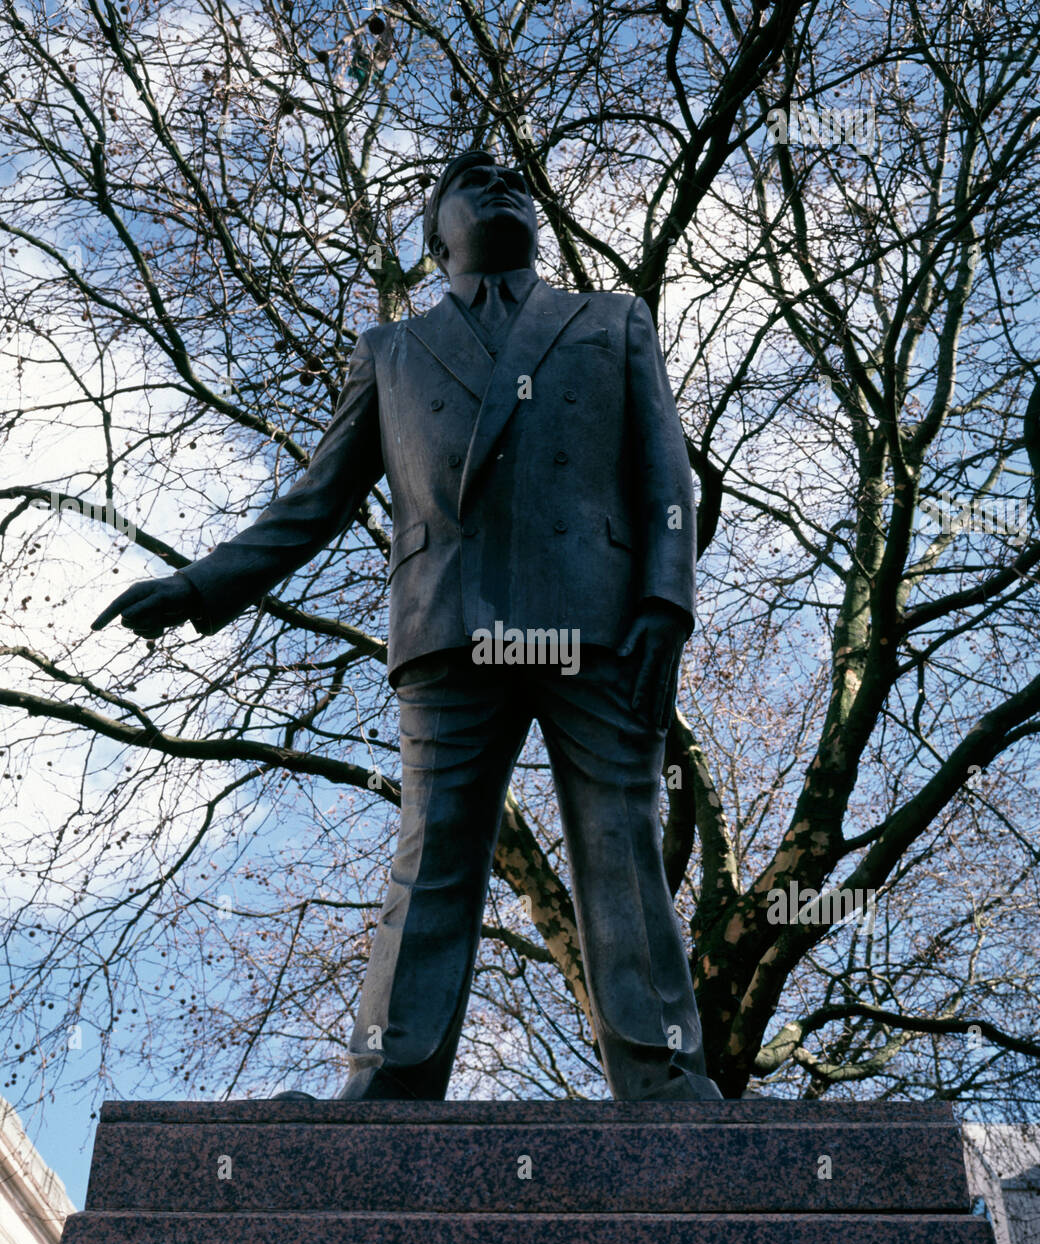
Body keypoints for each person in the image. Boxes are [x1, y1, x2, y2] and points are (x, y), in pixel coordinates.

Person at [93, 150, 722, 1102]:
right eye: (473, 181)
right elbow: (312, 502)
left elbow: (663, 481)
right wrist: (198, 587)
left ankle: (665, 1075)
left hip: (596, 625)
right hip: (448, 628)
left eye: (516, 178)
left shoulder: (610, 320)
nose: (502, 183)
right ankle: (388, 1076)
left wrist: (665, 603)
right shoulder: (389, 352)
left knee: (621, 846)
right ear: (435, 237)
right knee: (431, 851)